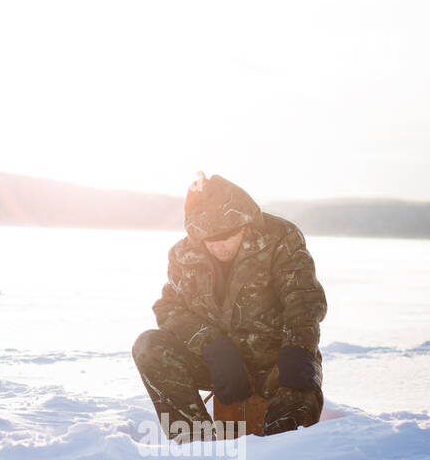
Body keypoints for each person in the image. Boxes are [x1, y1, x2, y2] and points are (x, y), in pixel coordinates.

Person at [132, 173, 327, 440]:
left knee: (286, 441)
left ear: (244, 224)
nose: (217, 246)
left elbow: (304, 299)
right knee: (149, 347)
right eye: (208, 239)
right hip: (221, 365)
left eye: (225, 236)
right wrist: (213, 347)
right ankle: (195, 444)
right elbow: (168, 308)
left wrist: (297, 352)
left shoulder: (281, 237)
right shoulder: (183, 254)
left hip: (280, 362)